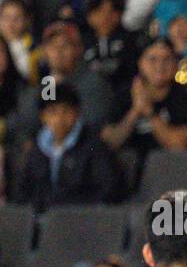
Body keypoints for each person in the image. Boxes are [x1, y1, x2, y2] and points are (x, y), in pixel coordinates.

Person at [100, 40, 187, 183]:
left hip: (170, 174)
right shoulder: (124, 94)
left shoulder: (183, 97)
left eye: (166, 59)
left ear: (175, 65)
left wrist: (149, 112)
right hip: (123, 174)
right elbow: (109, 142)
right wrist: (135, 111)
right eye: (152, 59)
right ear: (141, 64)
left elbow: (179, 145)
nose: (160, 65)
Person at [12, 82, 122, 212]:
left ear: (76, 112)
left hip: (81, 220)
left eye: (66, 111)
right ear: (43, 117)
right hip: (42, 222)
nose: (59, 118)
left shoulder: (94, 146)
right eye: (53, 112)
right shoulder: (37, 149)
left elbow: (108, 190)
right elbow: (22, 193)